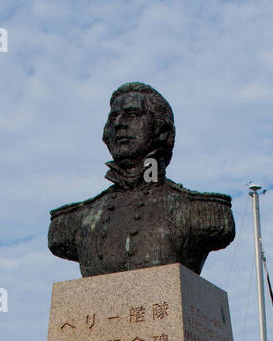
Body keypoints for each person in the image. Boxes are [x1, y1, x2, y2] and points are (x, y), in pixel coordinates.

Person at [48, 82, 235, 277]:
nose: (119, 123)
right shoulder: (72, 221)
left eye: (132, 115)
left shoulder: (203, 212)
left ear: (163, 132)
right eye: (114, 118)